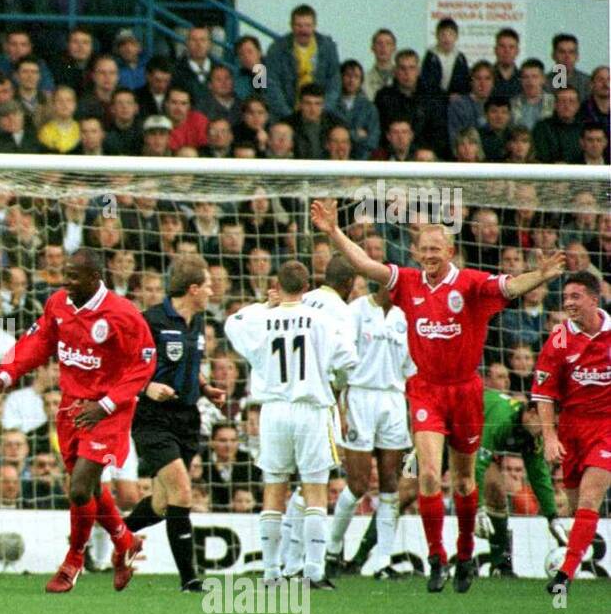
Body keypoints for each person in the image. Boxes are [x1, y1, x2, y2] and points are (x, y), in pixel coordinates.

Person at [312, 199, 565, 593]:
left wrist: (541, 274)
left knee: (463, 482)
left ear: (449, 251)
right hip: (426, 389)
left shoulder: (470, 284)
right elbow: (365, 265)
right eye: (423, 250)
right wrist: (333, 232)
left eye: (436, 250)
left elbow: (510, 285)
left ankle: (465, 552)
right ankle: (436, 558)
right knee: (428, 473)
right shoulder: (408, 282)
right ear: (416, 253)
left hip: (466, 392)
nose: (429, 256)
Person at [0, 250, 155, 593]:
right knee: (87, 488)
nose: (66, 281)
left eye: (74, 276)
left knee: (77, 488)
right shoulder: (59, 304)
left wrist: (105, 404)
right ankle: (126, 542)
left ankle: (73, 561)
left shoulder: (123, 315)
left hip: (108, 412)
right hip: (71, 408)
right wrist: (4, 376)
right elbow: (36, 342)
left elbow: (144, 364)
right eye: (65, 274)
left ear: (95, 278)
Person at [225, 260, 358, 589]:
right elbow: (349, 361)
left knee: (274, 489)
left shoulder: (261, 318)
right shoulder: (322, 319)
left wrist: (263, 305)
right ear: (307, 287)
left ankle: (272, 571)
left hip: (273, 410)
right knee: (315, 489)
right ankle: (313, 571)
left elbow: (232, 324)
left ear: (277, 285)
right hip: (311, 409)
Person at [122, 255, 225, 591]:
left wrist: (206, 388)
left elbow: (191, 364)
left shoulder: (196, 322)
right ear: (193, 288)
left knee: (163, 503)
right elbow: (121, 367)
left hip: (187, 418)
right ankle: (190, 579)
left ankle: (118, 532)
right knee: (183, 490)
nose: (212, 290)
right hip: (153, 419)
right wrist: (146, 386)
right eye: (208, 284)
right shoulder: (149, 321)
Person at [328, 280, 416, 578]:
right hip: (360, 396)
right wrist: (340, 400)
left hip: (393, 400)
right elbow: (339, 359)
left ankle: (382, 561)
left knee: (392, 482)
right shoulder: (355, 312)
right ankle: (332, 548)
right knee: (358, 483)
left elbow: (411, 368)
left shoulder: (406, 317)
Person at [533, 271, 611, 596]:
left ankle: (564, 575)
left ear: (595, 299)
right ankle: (581, 546)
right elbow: (544, 394)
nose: (568, 303)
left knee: (591, 497)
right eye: (566, 298)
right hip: (571, 428)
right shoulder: (559, 340)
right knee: (578, 503)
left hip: (606, 426)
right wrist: (550, 438)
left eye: (576, 297)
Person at [473, 389, 565, 576]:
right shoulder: (501, 419)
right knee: (414, 485)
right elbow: (477, 466)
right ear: (531, 413)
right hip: (446, 426)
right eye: (545, 424)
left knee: (496, 491)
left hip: (473, 442)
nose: (548, 431)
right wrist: (478, 508)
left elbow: (539, 476)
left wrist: (552, 517)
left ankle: (501, 565)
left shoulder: (535, 436)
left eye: (553, 426)